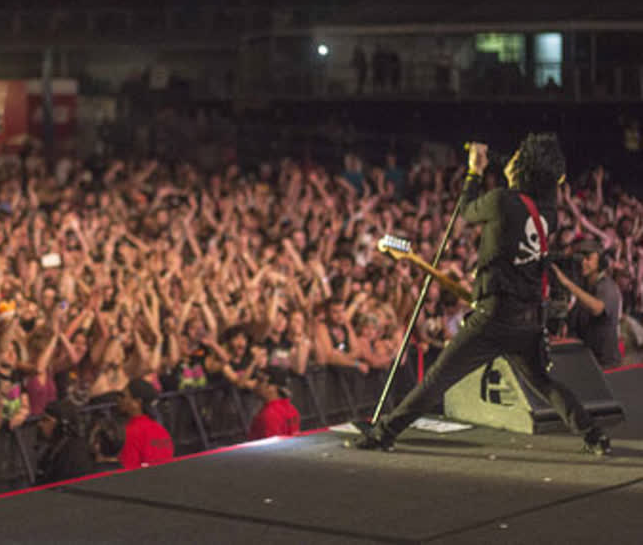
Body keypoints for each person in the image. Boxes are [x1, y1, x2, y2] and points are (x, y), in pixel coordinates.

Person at [357, 133, 612, 455]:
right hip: (528, 318)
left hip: (494, 316)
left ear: (525, 167)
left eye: (518, 156)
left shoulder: (502, 201)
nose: (513, 159)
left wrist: (474, 171)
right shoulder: (548, 212)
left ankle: (383, 434)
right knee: (545, 385)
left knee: (437, 379)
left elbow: (465, 211)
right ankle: (593, 435)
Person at [552, 238, 623, 369]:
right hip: (587, 362)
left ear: (601, 262)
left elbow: (597, 308)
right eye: (581, 259)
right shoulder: (584, 287)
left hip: (606, 365)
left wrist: (568, 283)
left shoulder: (608, 287)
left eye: (588, 258)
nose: (583, 263)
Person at [117, 379, 173, 470]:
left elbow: (128, 470)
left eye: (124, 396)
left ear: (137, 403)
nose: (119, 400)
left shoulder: (129, 432)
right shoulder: (160, 429)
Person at [36, 399, 94, 483]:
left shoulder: (74, 455)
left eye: (46, 420)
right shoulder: (54, 449)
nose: (39, 424)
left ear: (63, 426)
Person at [248, 367, 300, 440]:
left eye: (260, 381)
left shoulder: (269, 415)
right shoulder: (291, 408)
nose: (255, 385)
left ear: (272, 387)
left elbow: (272, 448)